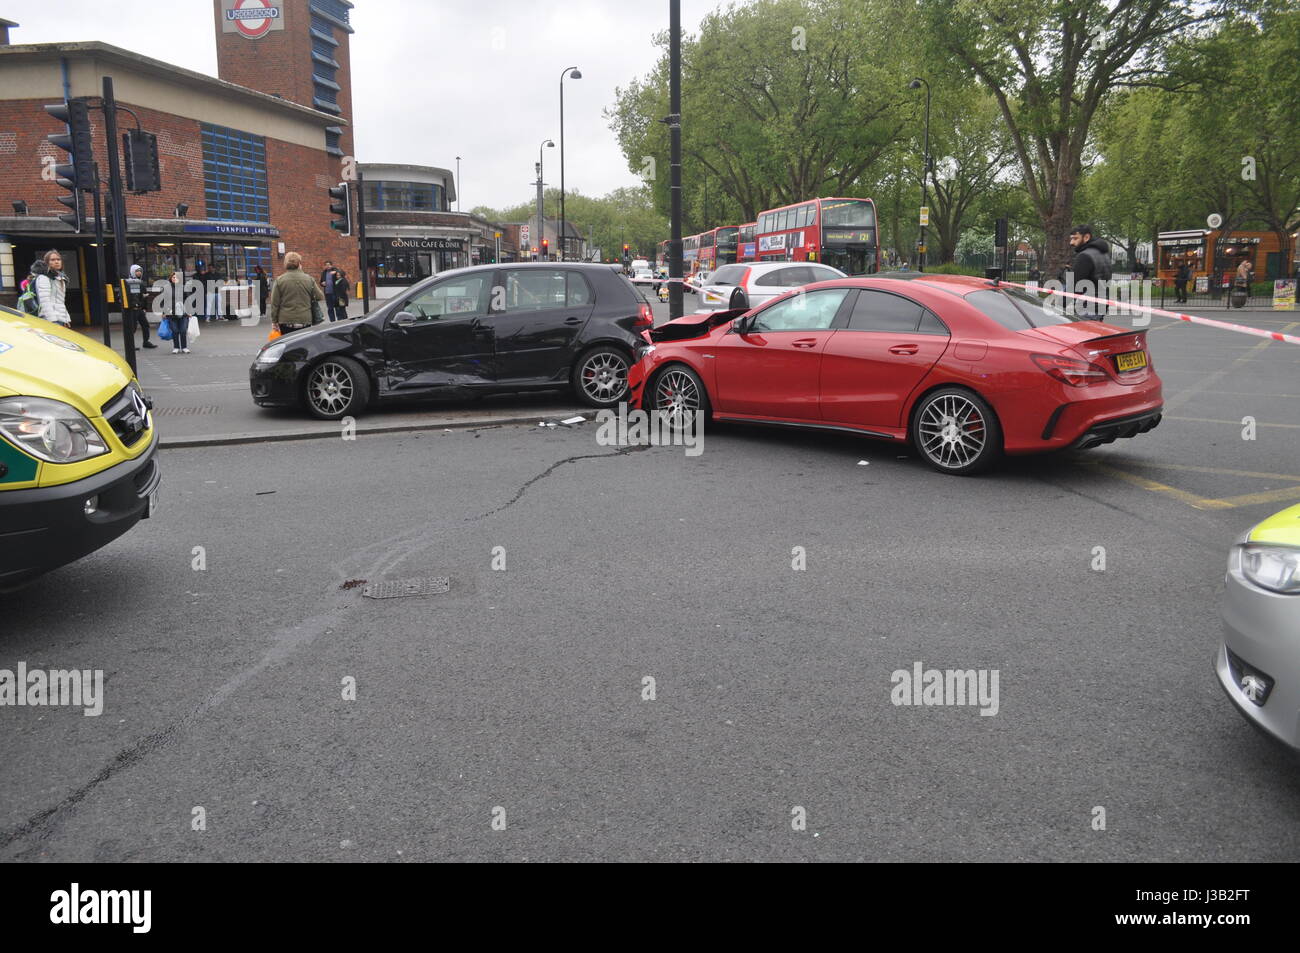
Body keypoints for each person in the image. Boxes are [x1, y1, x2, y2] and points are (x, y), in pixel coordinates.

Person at [269, 251, 325, 335]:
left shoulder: (279, 280)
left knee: (288, 345)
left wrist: (274, 321)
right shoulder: (309, 279)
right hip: (305, 319)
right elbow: (320, 296)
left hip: (285, 320)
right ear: (299, 264)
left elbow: (274, 303)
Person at [1063, 224, 1112, 316]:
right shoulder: (1104, 254)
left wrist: (1058, 305)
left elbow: (1075, 286)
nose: (1071, 242)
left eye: (1075, 238)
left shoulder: (1084, 256)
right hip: (1101, 304)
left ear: (1086, 237)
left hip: (1086, 306)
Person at [34, 249, 72, 328]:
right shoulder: (44, 277)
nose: (56, 262)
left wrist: (66, 319)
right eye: (53, 260)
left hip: (60, 318)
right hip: (50, 319)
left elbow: (60, 302)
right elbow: (44, 301)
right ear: (47, 262)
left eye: (58, 259)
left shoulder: (60, 278)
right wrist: (52, 320)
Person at [124, 264, 157, 348]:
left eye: (140, 271)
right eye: (137, 271)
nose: (139, 273)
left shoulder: (140, 282)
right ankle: (130, 344)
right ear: (132, 272)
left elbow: (141, 295)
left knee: (145, 325)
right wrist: (141, 297)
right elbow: (135, 296)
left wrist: (144, 307)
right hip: (133, 309)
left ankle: (146, 341)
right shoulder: (130, 282)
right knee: (133, 327)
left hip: (140, 308)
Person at [166, 270, 190, 353]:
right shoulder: (167, 288)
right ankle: (176, 347)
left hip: (183, 312)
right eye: (173, 277)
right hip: (171, 313)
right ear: (171, 278)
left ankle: (184, 347)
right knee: (175, 331)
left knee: (183, 330)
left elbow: (188, 300)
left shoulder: (183, 288)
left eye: (176, 277)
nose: (175, 278)